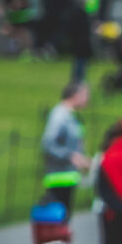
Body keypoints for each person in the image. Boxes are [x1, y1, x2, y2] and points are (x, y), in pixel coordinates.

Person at [41, 80, 90, 209]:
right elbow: (48, 144)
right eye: (85, 95)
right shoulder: (60, 116)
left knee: (65, 216)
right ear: (76, 95)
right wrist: (70, 156)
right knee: (58, 217)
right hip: (58, 177)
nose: (88, 99)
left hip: (68, 176)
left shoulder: (71, 116)